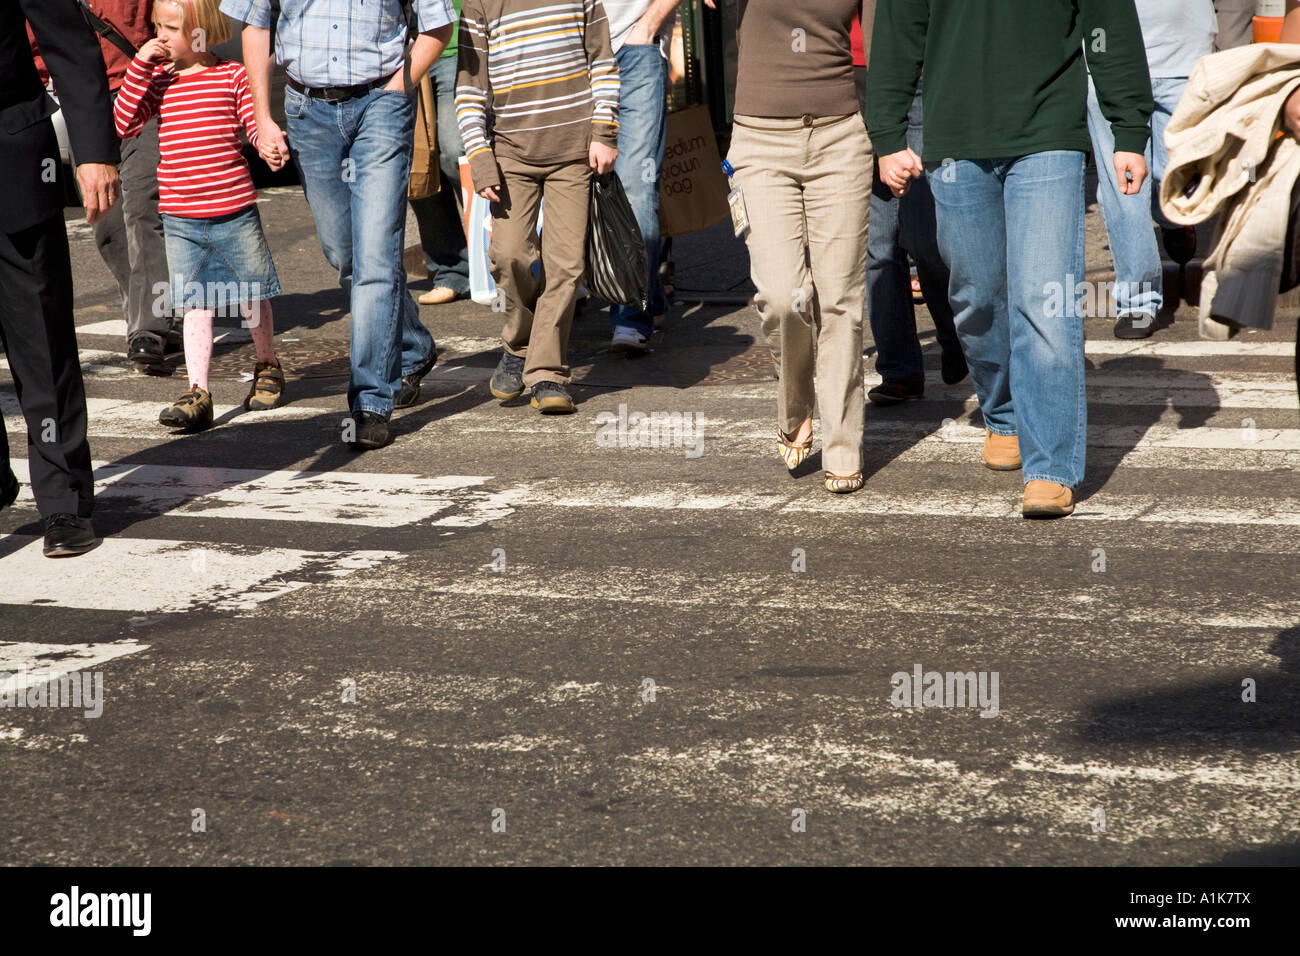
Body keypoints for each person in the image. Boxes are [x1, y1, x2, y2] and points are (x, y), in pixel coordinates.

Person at [870, 0, 1153, 518]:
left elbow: (1107, 23)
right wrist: (887, 134)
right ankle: (1004, 413)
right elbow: (898, 29)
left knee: (1045, 297)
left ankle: (1050, 467)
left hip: (1047, 134)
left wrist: (1128, 128)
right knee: (975, 294)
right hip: (955, 138)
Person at [221, 0, 454, 450]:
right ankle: (411, 346)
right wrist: (263, 117)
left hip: (381, 105)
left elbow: (438, 27)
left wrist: (398, 86)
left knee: (376, 258)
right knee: (345, 254)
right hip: (308, 110)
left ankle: (370, 401)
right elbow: (255, 24)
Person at [714, 0, 872, 494]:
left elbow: (883, 39)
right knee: (783, 297)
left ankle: (844, 443)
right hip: (759, 141)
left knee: (840, 299)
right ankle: (796, 404)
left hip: (842, 135)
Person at [115, 0, 284, 432]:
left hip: (233, 208)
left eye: (171, 28)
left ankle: (267, 364)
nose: (160, 36)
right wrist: (138, 65)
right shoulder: (159, 81)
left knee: (251, 292)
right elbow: (125, 121)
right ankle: (198, 390)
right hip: (181, 215)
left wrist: (267, 141)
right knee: (196, 304)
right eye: (157, 27)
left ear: (201, 32)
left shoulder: (231, 75)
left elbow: (251, 123)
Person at [458, 0, 620, 415]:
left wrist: (604, 131)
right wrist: (480, 156)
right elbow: (470, 88)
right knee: (510, 255)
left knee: (565, 265)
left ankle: (547, 370)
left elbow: (602, 62)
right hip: (511, 154)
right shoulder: (479, 3)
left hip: (574, 152)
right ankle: (520, 343)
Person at [1, 0, 120, 556]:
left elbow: (70, 43)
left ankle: (64, 501)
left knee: (42, 342)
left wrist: (94, 152)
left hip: (14, 160)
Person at [29, 2, 173, 372]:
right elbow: (33, 48)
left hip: (143, 93)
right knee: (106, 225)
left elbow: (179, 17)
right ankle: (156, 309)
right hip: (85, 109)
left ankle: (147, 329)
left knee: (142, 207)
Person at [851, 6, 967, 405]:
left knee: (924, 238)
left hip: (911, 73)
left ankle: (955, 337)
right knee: (878, 246)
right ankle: (899, 369)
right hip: (843, 81)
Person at [1086, 0, 1216, 339]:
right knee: (1123, 189)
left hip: (1185, 52)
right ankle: (1137, 301)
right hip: (1106, 58)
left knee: (1181, 176)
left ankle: (1170, 216)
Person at [600, 0, 678, 353]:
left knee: (635, 184)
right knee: (578, 179)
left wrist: (648, 27)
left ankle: (631, 314)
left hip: (635, 46)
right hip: (572, 49)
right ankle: (651, 296)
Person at [409, 0, 470, 307]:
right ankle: (451, 271)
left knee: (456, 152)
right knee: (416, 163)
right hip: (401, 51)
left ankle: (501, 257)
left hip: (457, 43)